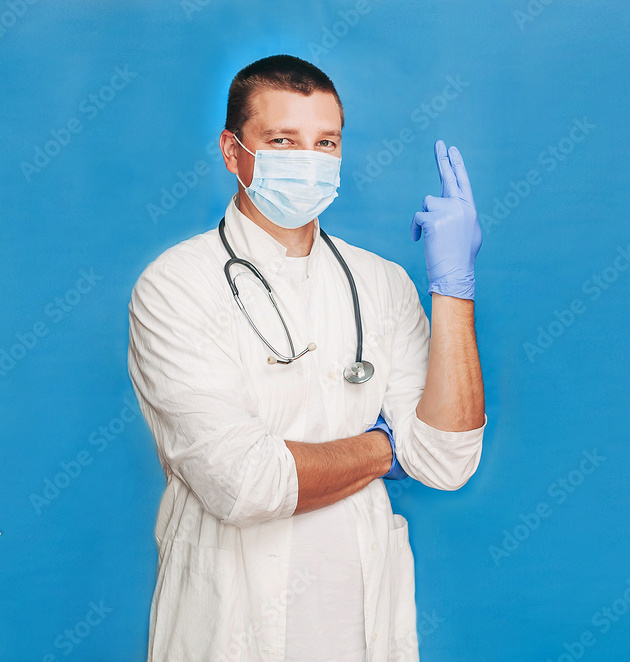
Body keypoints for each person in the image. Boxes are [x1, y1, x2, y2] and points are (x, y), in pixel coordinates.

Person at [127, 54, 486, 661]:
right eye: (282, 141)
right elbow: (245, 484)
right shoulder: (176, 285)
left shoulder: (381, 283)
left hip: (360, 628)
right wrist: (386, 447)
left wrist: (453, 288)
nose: (308, 160)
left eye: (325, 143)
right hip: (230, 627)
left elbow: (446, 460)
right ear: (233, 151)